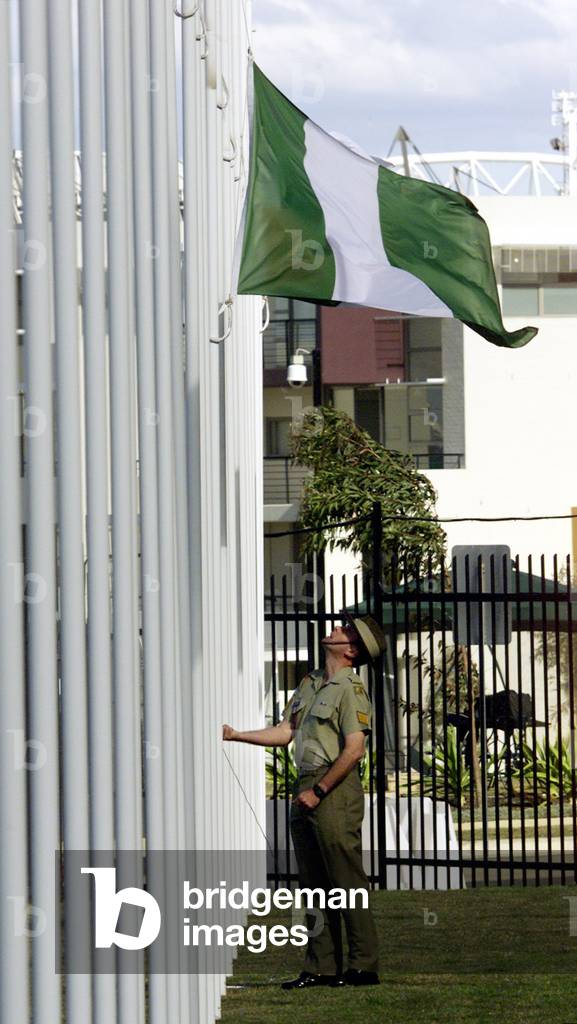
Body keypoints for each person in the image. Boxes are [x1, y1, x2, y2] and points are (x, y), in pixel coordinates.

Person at [222, 613, 386, 990]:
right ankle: (321, 966)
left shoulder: (351, 688)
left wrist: (320, 791)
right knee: (313, 883)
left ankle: (363, 965)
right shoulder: (311, 682)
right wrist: (235, 735)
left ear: (352, 650)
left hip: (334, 787)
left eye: (345, 630)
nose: (336, 629)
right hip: (306, 784)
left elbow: (354, 750)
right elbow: (286, 732)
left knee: (345, 879)